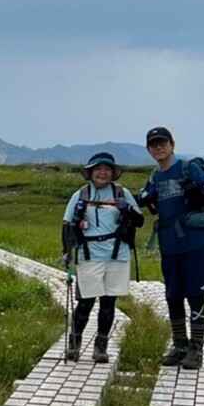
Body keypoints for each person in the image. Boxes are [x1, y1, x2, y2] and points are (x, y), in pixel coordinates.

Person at [136, 126, 204, 370]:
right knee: (173, 294)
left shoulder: (188, 167)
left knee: (195, 293)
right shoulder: (154, 177)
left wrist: (199, 192)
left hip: (194, 242)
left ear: (172, 145)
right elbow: (147, 201)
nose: (159, 147)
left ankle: (196, 348)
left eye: (163, 143)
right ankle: (180, 344)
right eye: (154, 144)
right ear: (149, 149)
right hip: (169, 243)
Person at [61, 151, 144, 363]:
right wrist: (67, 253)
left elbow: (139, 221)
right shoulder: (80, 194)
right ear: (90, 172)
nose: (102, 173)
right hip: (89, 255)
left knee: (108, 303)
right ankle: (74, 342)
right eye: (98, 169)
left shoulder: (122, 193)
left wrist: (128, 210)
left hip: (117, 255)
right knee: (85, 302)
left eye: (107, 169)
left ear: (112, 173)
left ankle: (101, 346)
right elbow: (68, 225)